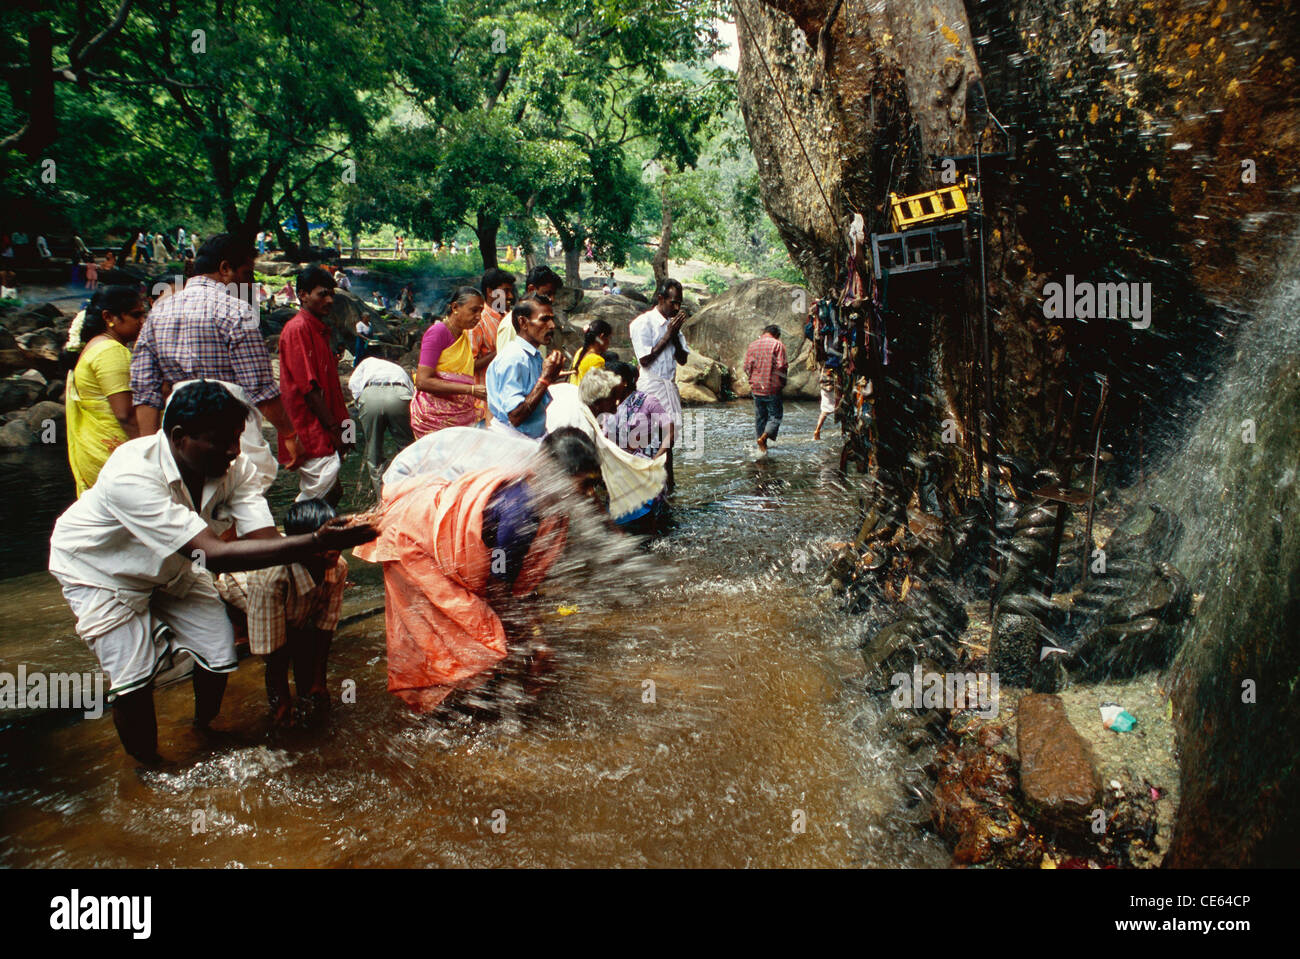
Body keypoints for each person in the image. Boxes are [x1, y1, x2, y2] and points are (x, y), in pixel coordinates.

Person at [48, 380, 376, 764]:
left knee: (219, 654)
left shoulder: (234, 468)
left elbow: (265, 540)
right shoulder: (131, 474)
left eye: (237, 438)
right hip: (103, 571)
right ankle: (151, 769)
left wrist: (324, 550)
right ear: (179, 437)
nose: (234, 451)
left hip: (178, 567)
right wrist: (316, 541)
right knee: (133, 680)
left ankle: (203, 728)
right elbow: (216, 555)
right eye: (221, 441)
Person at [354, 428, 602, 712]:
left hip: (436, 537)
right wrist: (534, 641)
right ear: (554, 477)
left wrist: (534, 637)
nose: (589, 494)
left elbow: (521, 583)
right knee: (472, 636)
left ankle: (480, 702)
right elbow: (499, 591)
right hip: (414, 542)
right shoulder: (520, 513)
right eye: (583, 484)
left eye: (594, 484)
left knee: (489, 635)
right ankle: (444, 716)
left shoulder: (545, 502)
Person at [130, 233, 305, 480]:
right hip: (230, 429)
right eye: (247, 274)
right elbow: (260, 387)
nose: (250, 284)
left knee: (190, 507)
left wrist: (150, 451)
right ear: (225, 269)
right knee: (241, 501)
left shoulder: (157, 314)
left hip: (180, 433)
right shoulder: (236, 311)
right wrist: (289, 435)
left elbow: (145, 392)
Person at [216, 498, 350, 728]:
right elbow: (274, 650)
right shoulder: (271, 574)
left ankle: (307, 696)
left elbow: (325, 627)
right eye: (324, 544)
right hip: (240, 589)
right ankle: (279, 705)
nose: (333, 551)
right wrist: (283, 701)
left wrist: (320, 681)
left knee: (305, 654)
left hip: (292, 600)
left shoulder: (338, 566)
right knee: (282, 650)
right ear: (301, 546)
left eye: (336, 541)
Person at [279, 266, 352, 505]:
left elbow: (330, 389)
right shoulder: (298, 329)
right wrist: (334, 429)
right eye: (322, 294)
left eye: (331, 294)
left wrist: (343, 429)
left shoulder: (318, 329)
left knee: (330, 492)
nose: (329, 300)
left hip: (323, 425)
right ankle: (298, 538)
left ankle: (310, 538)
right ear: (303, 295)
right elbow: (309, 389)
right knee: (322, 495)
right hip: (311, 426)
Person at [63, 286, 146, 495]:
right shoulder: (110, 351)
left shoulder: (95, 346)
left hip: (97, 449)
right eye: (136, 315)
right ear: (109, 317)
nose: (142, 322)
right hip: (113, 453)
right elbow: (125, 415)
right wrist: (151, 455)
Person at [629, 278, 689, 483]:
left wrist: (674, 337)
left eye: (680, 303)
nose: (677, 307)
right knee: (649, 437)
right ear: (661, 299)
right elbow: (645, 360)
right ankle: (646, 480)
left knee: (669, 438)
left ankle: (668, 482)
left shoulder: (675, 328)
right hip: (650, 386)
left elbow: (683, 359)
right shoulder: (643, 323)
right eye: (673, 302)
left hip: (668, 386)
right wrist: (667, 335)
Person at [410, 286, 485, 437]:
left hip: (460, 414)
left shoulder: (463, 335)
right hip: (434, 419)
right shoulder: (438, 333)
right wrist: (470, 390)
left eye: (480, 312)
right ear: (455, 307)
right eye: (474, 310)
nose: (478, 317)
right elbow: (422, 381)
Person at [486, 296, 562, 439]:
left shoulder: (533, 356)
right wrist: (545, 379)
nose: (552, 325)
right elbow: (516, 416)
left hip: (528, 440)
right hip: (513, 443)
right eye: (544, 319)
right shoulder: (514, 358)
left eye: (552, 319)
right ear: (523, 322)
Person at [348, 355, 415, 499]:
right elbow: (412, 392)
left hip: (371, 394)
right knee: (407, 449)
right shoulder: (398, 369)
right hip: (399, 394)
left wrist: (360, 403)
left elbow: (353, 384)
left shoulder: (367, 362)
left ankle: (381, 500)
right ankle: (409, 495)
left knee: (374, 454)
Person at [469, 267, 517, 422]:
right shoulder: (478, 322)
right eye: (505, 291)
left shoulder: (508, 317)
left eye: (511, 291)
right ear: (490, 292)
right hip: (483, 403)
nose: (510, 296)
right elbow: (469, 365)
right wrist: (501, 351)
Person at [605, 361, 673, 459]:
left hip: (643, 463)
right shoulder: (607, 405)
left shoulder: (648, 401)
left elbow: (670, 431)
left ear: (624, 382)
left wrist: (655, 461)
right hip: (618, 464)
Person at [743, 324, 788, 456]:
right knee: (775, 416)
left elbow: (746, 366)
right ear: (777, 334)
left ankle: (762, 449)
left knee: (760, 417)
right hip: (772, 387)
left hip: (756, 388)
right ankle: (763, 439)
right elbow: (782, 366)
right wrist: (782, 383)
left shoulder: (753, 345)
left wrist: (752, 380)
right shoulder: (778, 345)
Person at [495, 264, 560, 350]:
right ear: (531, 290)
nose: (552, 299)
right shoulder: (509, 325)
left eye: (554, 294)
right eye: (548, 293)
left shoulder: (541, 328)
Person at [572, 319, 612, 385]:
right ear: (601, 337)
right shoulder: (597, 360)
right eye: (609, 338)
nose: (609, 342)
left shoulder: (579, 351)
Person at [814, 363, 841, 441]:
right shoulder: (834, 357)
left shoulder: (824, 359)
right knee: (841, 407)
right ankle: (844, 432)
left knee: (825, 410)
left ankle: (817, 429)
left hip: (825, 381)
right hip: (834, 381)